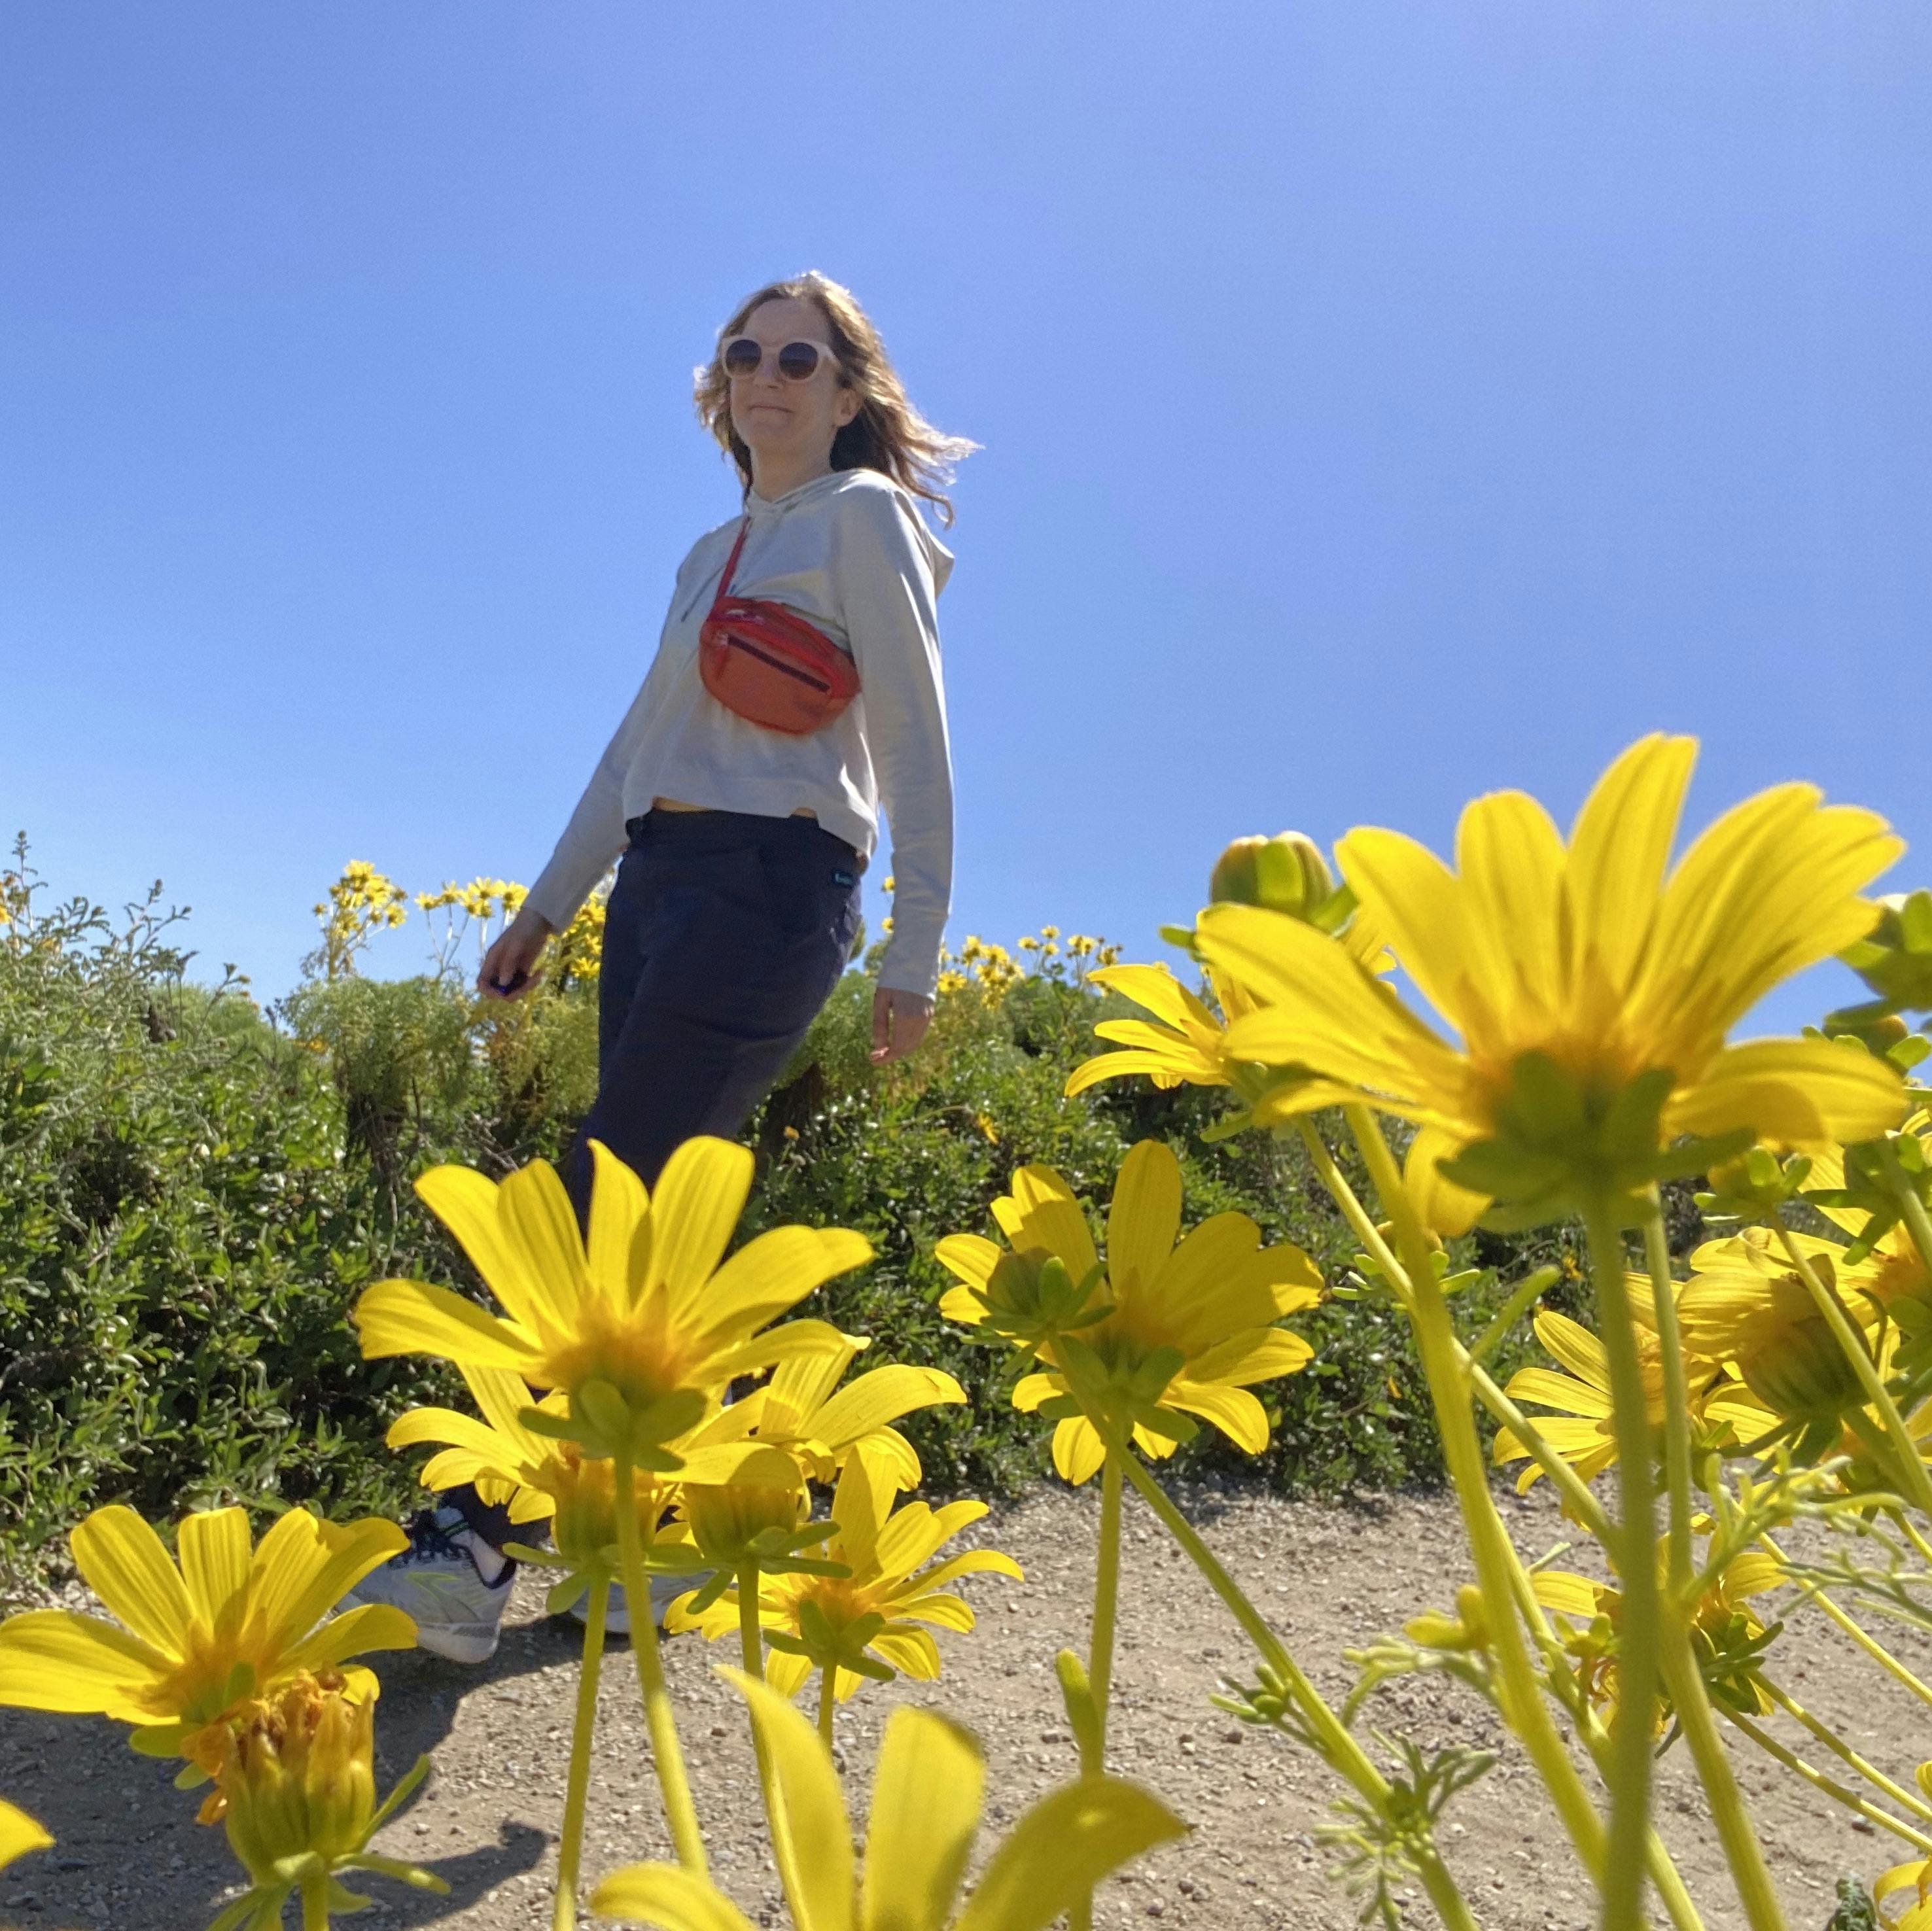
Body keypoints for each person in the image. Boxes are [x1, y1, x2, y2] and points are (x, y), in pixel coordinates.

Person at [349, 272, 969, 1661]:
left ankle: (464, 1552)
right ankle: (642, 1554)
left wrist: (915, 948)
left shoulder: (865, 520)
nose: (767, 375)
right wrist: (544, 909)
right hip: (661, 880)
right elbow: (634, 746)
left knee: (582, 1206)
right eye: (744, 354)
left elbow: (920, 739)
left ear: (848, 391)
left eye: (799, 358)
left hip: (778, 883)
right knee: (641, 1239)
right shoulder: (710, 551)